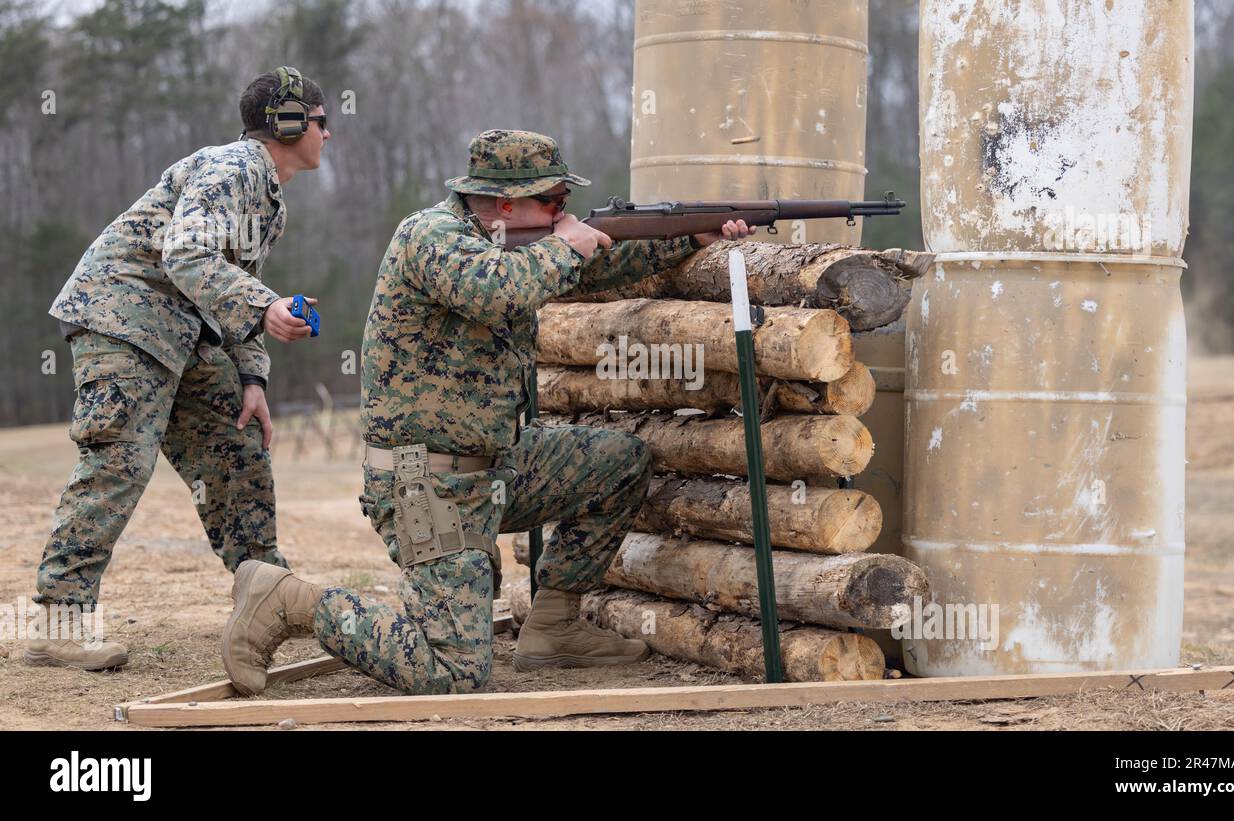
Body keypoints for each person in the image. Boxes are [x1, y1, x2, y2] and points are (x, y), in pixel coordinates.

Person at [221, 129, 755, 695]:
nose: (561, 214)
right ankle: (289, 599)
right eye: (552, 203)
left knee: (619, 462)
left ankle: (555, 627)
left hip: (496, 467)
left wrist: (687, 236)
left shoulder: (509, 242)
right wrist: (564, 245)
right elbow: (495, 291)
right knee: (454, 674)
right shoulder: (432, 236)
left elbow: (596, 265)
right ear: (506, 204)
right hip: (425, 485)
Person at [25, 67, 329, 671]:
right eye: (323, 122)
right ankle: (57, 622)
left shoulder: (268, 200)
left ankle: (270, 596)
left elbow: (233, 285)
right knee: (118, 462)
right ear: (289, 124)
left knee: (236, 452)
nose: (330, 134)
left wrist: (252, 379)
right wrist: (263, 307)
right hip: (124, 320)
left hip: (185, 335)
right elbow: (187, 253)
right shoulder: (230, 168)